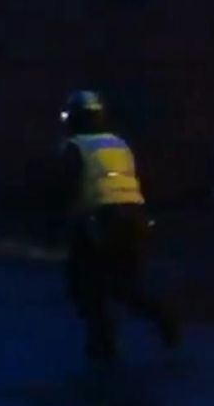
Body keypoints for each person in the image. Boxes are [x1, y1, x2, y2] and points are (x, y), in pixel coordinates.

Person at [54, 90, 179, 362]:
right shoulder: (119, 143)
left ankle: (103, 343)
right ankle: (164, 319)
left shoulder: (75, 147)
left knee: (84, 283)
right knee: (126, 285)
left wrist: (64, 226)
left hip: (101, 221)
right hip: (135, 219)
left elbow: (67, 189)